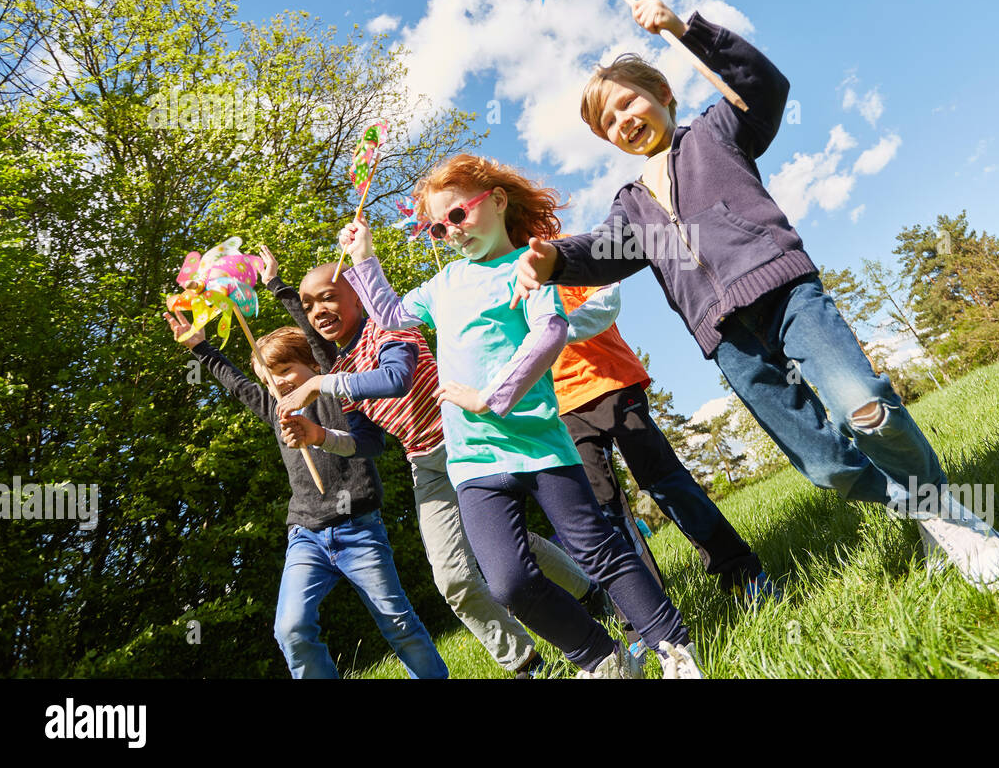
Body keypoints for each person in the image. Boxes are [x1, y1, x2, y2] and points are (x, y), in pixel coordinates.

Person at [511, 0, 999, 591]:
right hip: (727, 340)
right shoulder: (630, 205)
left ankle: (948, 514)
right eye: (608, 121)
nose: (622, 119)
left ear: (665, 96)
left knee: (866, 409)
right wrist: (553, 260)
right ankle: (916, 506)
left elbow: (764, 83)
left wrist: (686, 29)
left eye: (629, 101)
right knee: (827, 467)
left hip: (783, 291)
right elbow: (602, 252)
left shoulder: (716, 132)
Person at [334, 155, 704, 677]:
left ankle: (674, 648)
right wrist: (364, 260)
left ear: (498, 200)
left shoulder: (528, 265)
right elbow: (393, 318)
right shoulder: (444, 286)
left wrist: (494, 396)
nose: (450, 233)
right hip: (472, 461)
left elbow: (550, 330)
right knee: (508, 581)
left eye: (457, 216)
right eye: (438, 229)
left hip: (538, 443)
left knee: (597, 549)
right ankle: (602, 658)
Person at [260, 246, 596, 678]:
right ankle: (526, 661)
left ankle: (589, 594)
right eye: (307, 305)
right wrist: (321, 436)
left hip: (467, 443)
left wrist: (324, 383)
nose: (318, 310)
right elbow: (369, 443)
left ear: (358, 296)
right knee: (454, 577)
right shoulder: (342, 368)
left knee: (504, 546)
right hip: (426, 464)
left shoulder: (389, 328)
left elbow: (395, 379)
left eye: (328, 296)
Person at [162, 311, 447, 679]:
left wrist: (278, 287)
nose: (277, 384)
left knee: (397, 621)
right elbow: (236, 383)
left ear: (314, 363)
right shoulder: (276, 410)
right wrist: (200, 347)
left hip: (358, 528)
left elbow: (318, 342)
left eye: (284, 372)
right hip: (306, 536)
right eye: (267, 379)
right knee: (290, 628)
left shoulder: (338, 394)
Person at [556, 280, 773, 615]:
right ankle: (647, 617)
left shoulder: (566, 251)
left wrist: (554, 331)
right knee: (605, 511)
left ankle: (742, 573)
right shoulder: (498, 278)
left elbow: (606, 300)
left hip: (609, 380)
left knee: (665, 481)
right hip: (559, 407)